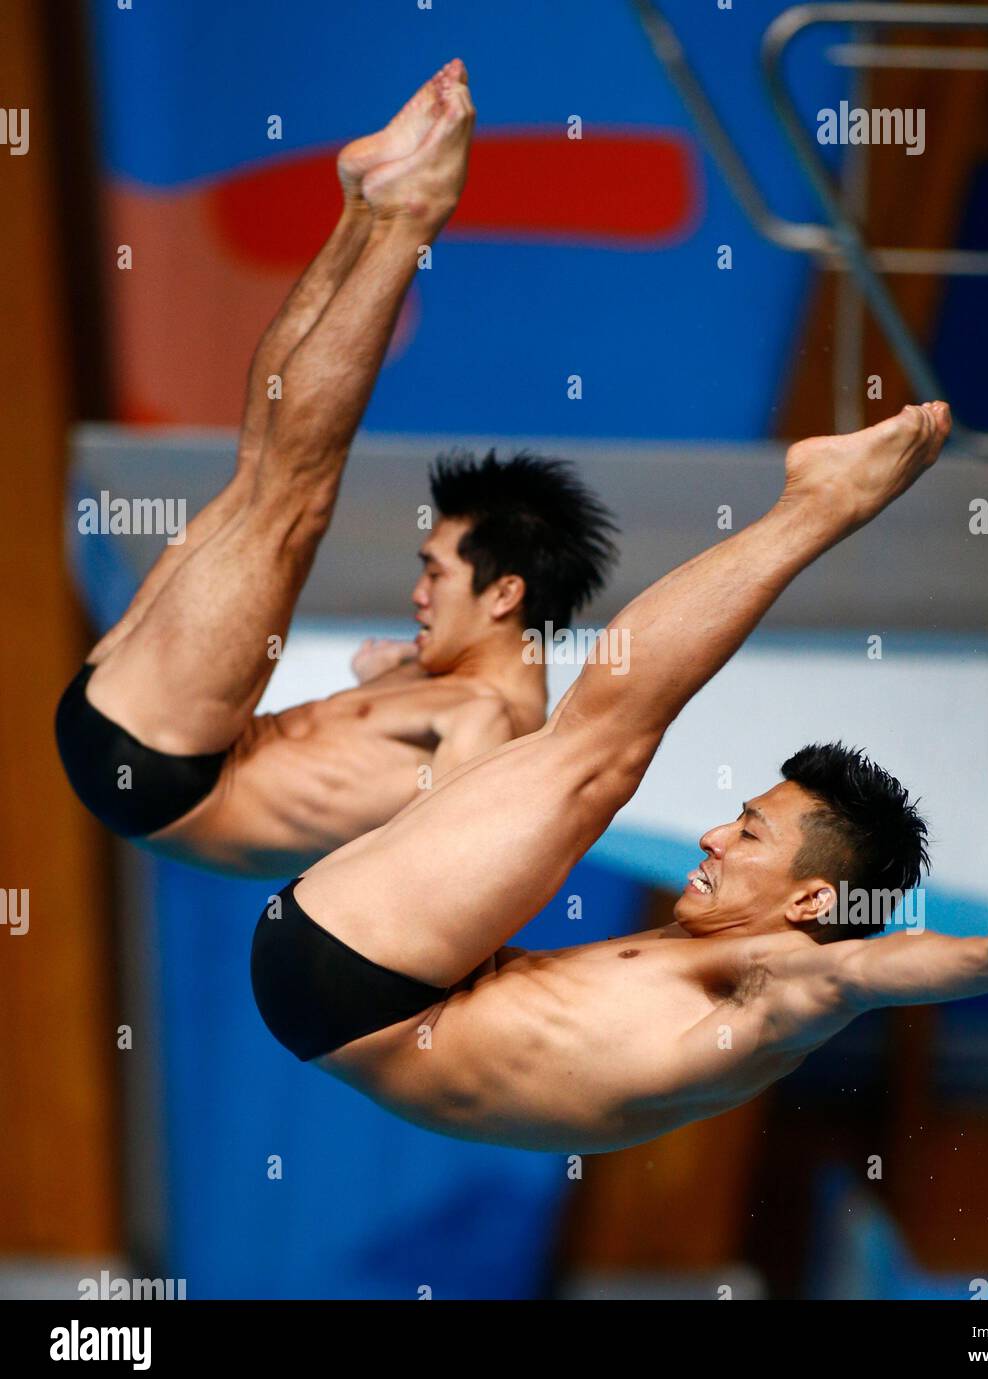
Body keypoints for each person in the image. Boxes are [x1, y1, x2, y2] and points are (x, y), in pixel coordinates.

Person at [250, 397, 988, 1152]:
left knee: (601, 751)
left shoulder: (773, 987)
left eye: (749, 833)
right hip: (359, 983)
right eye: (734, 818)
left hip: (362, 985)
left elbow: (866, 972)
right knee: (562, 748)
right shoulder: (704, 955)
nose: (713, 836)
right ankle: (422, 689)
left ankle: (817, 505)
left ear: (813, 902)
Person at [56, 60, 616, 877]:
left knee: (292, 498)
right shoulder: (437, 678)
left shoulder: (492, 725)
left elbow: (444, 875)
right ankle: (365, 206)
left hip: (166, 769)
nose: (418, 593)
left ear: (505, 593)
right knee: (260, 473)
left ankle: (408, 216)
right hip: (140, 732)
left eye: (437, 573)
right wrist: (387, 679)